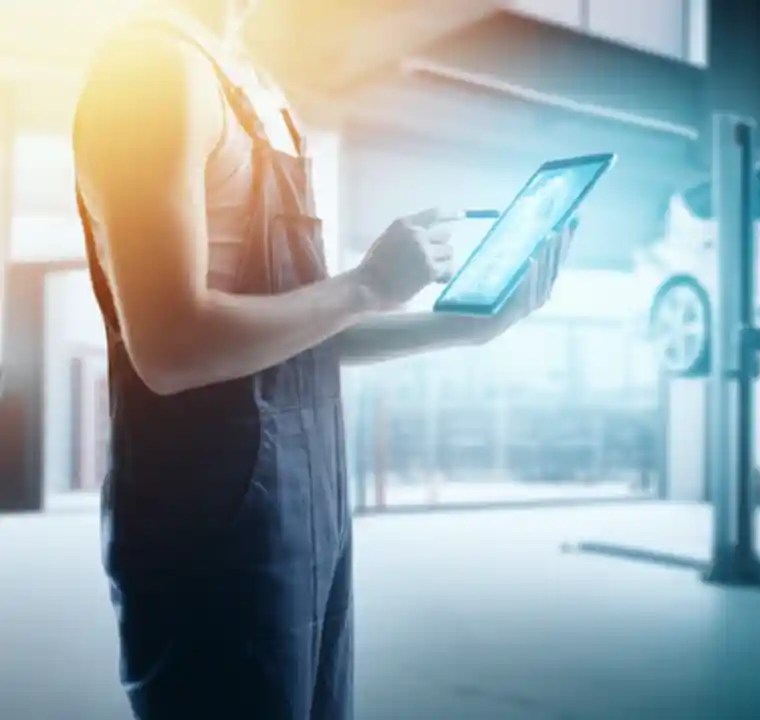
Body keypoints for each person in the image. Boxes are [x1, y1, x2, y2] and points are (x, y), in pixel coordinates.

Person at [71, 1, 572, 717]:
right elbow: (170, 346)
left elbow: (298, 339)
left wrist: (463, 328)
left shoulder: (261, 92)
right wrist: (365, 285)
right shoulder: (153, 73)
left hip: (309, 514)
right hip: (206, 522)